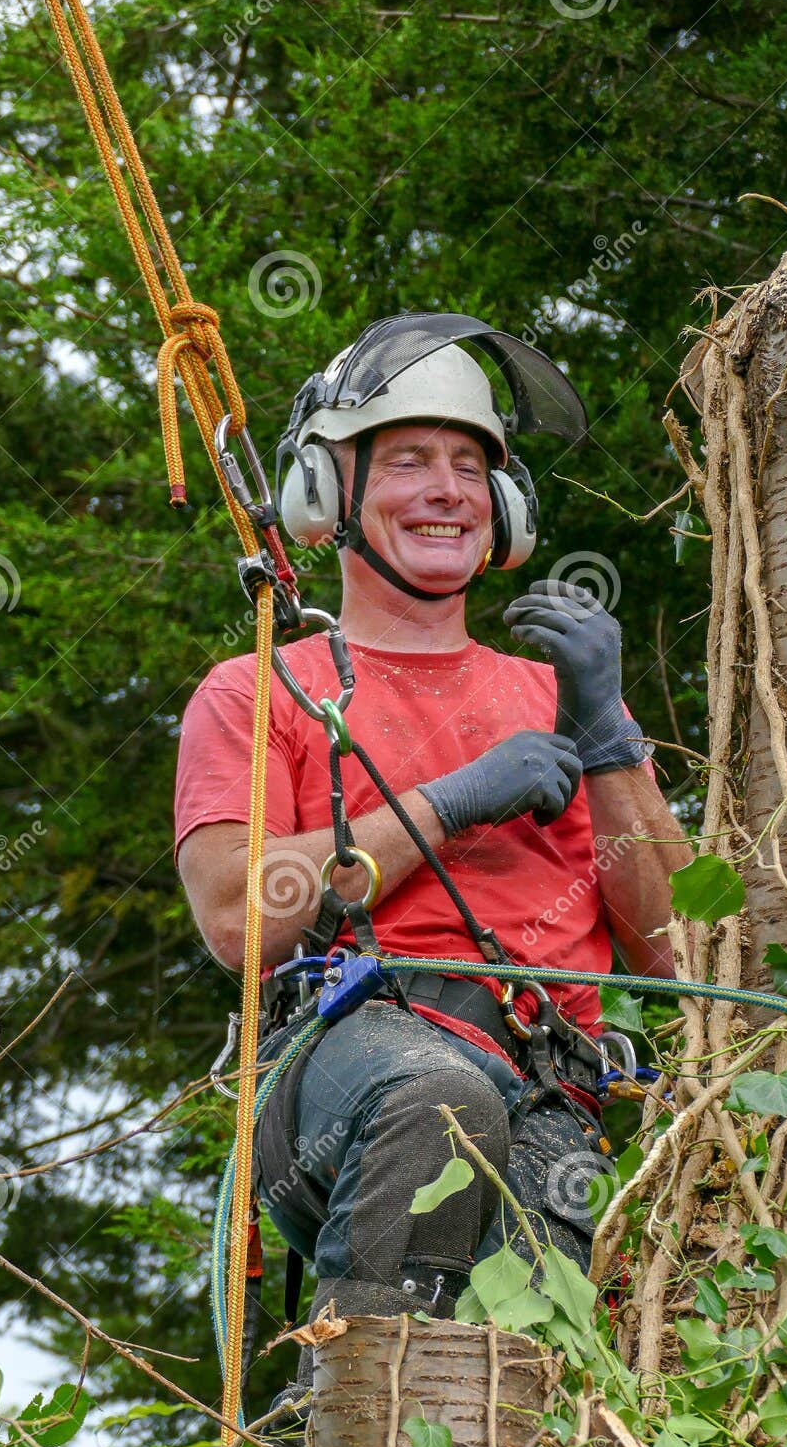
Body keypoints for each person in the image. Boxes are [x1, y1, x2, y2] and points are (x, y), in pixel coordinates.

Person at [174, 313, 690, 1357]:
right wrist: (449, 802)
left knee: (541, 1357)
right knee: (440, 1096)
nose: (446, 489)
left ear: (504, 507)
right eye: (406, 460)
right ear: (329, 494)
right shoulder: (265, 687)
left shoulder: (556, 700)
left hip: (548, 1076)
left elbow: (676, 948)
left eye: (470, 466)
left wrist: (604, 736)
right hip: (344, 1062)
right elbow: (238, 919)